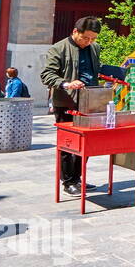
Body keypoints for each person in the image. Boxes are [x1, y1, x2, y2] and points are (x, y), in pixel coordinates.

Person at [41, 16, 103, 195]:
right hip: (66, 101)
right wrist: (66, 83)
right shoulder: (58, 49)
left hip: (90, 101)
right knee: (69, 144)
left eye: (93, 39)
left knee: (87, 143)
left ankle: (78, 178)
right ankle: (68, 182)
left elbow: (94, 71)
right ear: (75, 32)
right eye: (86, 38)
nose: (89, 42)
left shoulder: (94, 48)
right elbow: (47, 75)